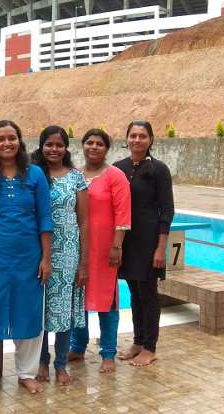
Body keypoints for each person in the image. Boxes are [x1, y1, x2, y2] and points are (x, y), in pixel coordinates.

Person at [0, 120, 54, 398]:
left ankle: (26, 373)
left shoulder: (36, 175)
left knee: (28, 312)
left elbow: (44, 218)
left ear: (20, 142)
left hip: (29, 256)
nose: (7, 143)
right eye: (1, 139)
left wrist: (46, 258)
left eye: (12, 138)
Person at [67, 129, 131, 374]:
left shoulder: (115, 176)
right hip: (77, 249)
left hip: (105, 249)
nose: (94, 147)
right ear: (82, 146)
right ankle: (78, 345)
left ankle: (108, 353)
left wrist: (117, 246)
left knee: (108, 301)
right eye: (89, 143)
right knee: (78, 299)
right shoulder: (74, 175)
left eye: (100, 144)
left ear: (107, 149)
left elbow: (123, 214)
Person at [30, 126, 89, 387]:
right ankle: (41, 360)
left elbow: (84, 222)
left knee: (64, 310)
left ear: (66, 148)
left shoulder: (76, 178)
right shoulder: (34, 174)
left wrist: (83, 262)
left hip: (67, 253)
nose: (54, 149)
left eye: (60, 145)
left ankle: (61, 363)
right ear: (41, 146)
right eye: (49, 144)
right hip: (36, 251)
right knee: (40, 307)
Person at [114, 120, 175, 367]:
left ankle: (151, 347)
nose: (137, 140)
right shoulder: (118, 168)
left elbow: (167, 210)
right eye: (132, 136)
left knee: (148, 295)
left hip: (149, 241)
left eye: (142, 136)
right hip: (127, 242)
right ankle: (138, 341)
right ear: (126, 139)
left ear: (151, 140)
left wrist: (161, 248)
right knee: (135, 295)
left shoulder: (159, 169)